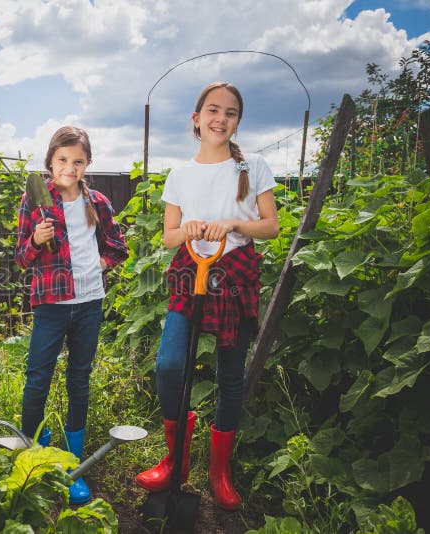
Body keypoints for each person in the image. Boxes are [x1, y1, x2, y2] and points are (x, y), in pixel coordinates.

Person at [134, 82, 279, 509]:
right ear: (195, 119)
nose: (221, 118)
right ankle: (176, 460)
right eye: (212, 110)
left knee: (230, 373)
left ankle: (219, 471)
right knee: (168, 364)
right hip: (190, 272)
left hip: (234, 274)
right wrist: (191, 228)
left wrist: (233, 223)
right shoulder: (181, 174)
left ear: (238, 122)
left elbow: (270, 225)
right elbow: (167, 237)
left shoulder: (253, 165)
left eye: (230, 112)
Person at [15, 126, 128, 505]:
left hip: (89, 304)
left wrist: (101, 262)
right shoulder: (35, 201)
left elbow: (117, 245)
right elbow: (21, 258)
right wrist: (36, 240)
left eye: (77, 161)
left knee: (79, 378)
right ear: (50, 162)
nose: (69, 166)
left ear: (87, 165)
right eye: (62, 160)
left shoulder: (96, 201)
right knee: (37, 377)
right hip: (50, 305)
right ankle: (30, 454)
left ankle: (72, 462)